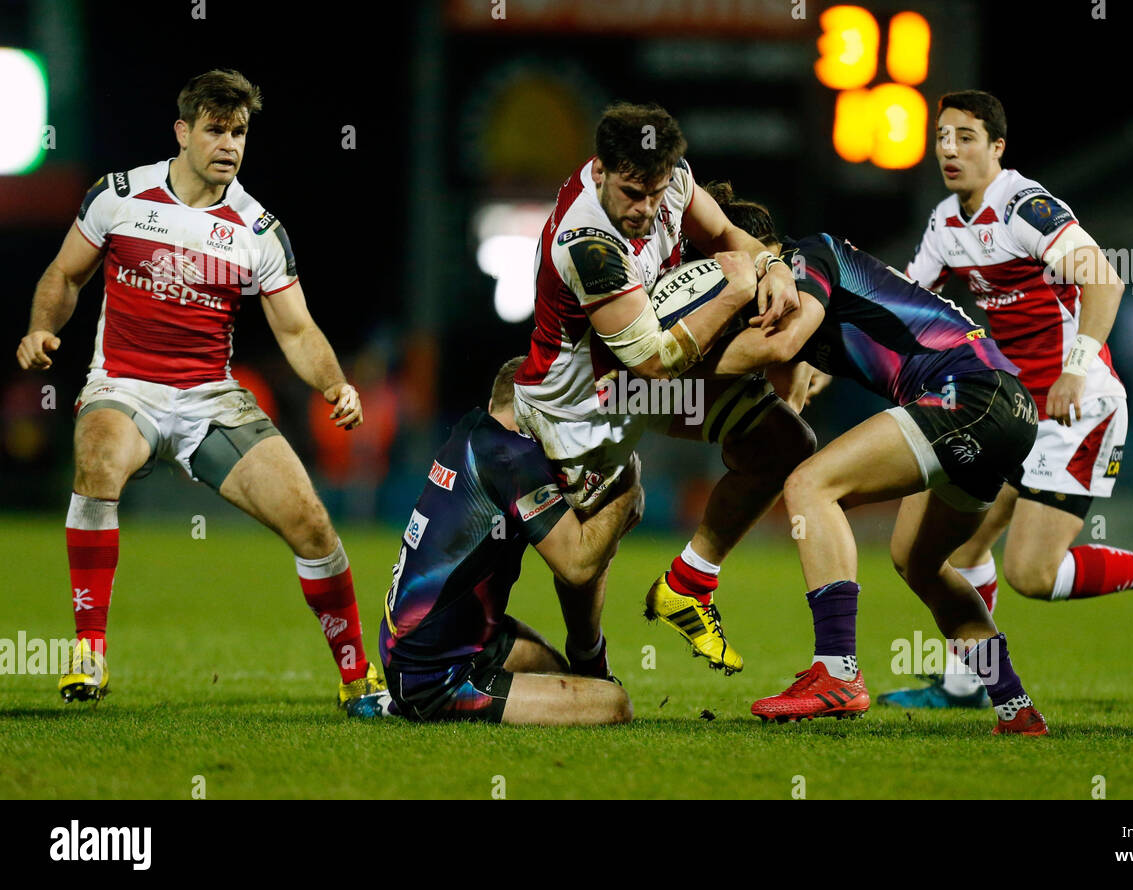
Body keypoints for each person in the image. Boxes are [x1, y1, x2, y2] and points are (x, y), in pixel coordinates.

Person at [14, 69, 384, 711]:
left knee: (313, 524)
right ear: (183, 132)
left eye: (239, 132)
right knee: (97, 458)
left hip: (211, 398)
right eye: (216, 129)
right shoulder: (120, 196)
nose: (229, 144)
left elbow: (296, 330)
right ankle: (88, 653)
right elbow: (65, 275)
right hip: (125, 388)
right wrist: (42, 329)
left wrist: (336, 384)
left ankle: (358, 678)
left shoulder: (257, 229)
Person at [884, 90, 1133, 708]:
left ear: (997, 147)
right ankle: (968, 683)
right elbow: (909, 303)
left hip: (1078, 408)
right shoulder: (945, 222)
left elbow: (1105, 279)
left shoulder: (1026, 208)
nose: (950, 149)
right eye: (941, 137)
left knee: (1032, 575)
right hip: (1015, 411)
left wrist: (1076, 367)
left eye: (965, 137)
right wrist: (833, 358)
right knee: (958, 545)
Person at [701, 183, 1048, 735]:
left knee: (811, 487)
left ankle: (837, 671)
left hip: (969, 394)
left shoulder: (802, 258)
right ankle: (1016, 709)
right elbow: (788, 403)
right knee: (919, 562)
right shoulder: (812, 285)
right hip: (1008, 409)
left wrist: (665, 359)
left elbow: (783, 345)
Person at [514, 102, 816, 676]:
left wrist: (773, 266)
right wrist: (734, 289)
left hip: (646, 382)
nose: (646, 210)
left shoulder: (670, 179)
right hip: (585, 402)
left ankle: (689, 582)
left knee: (786, 442)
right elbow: (652, 362)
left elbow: (729, 233)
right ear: (600, 170)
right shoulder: (588, 244)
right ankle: (586, 657)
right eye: (632, 193)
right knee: (585, 560)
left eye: (654, 194)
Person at [372, 357, 639, 725]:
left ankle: (397, 695)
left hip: (429, 643)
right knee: (612, 704)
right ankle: (409, 702)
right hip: (439, 676)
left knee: (562, 674)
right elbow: (576, 567)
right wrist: (626, 488)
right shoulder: (512, 457)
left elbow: (580, 556)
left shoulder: (472, 431)